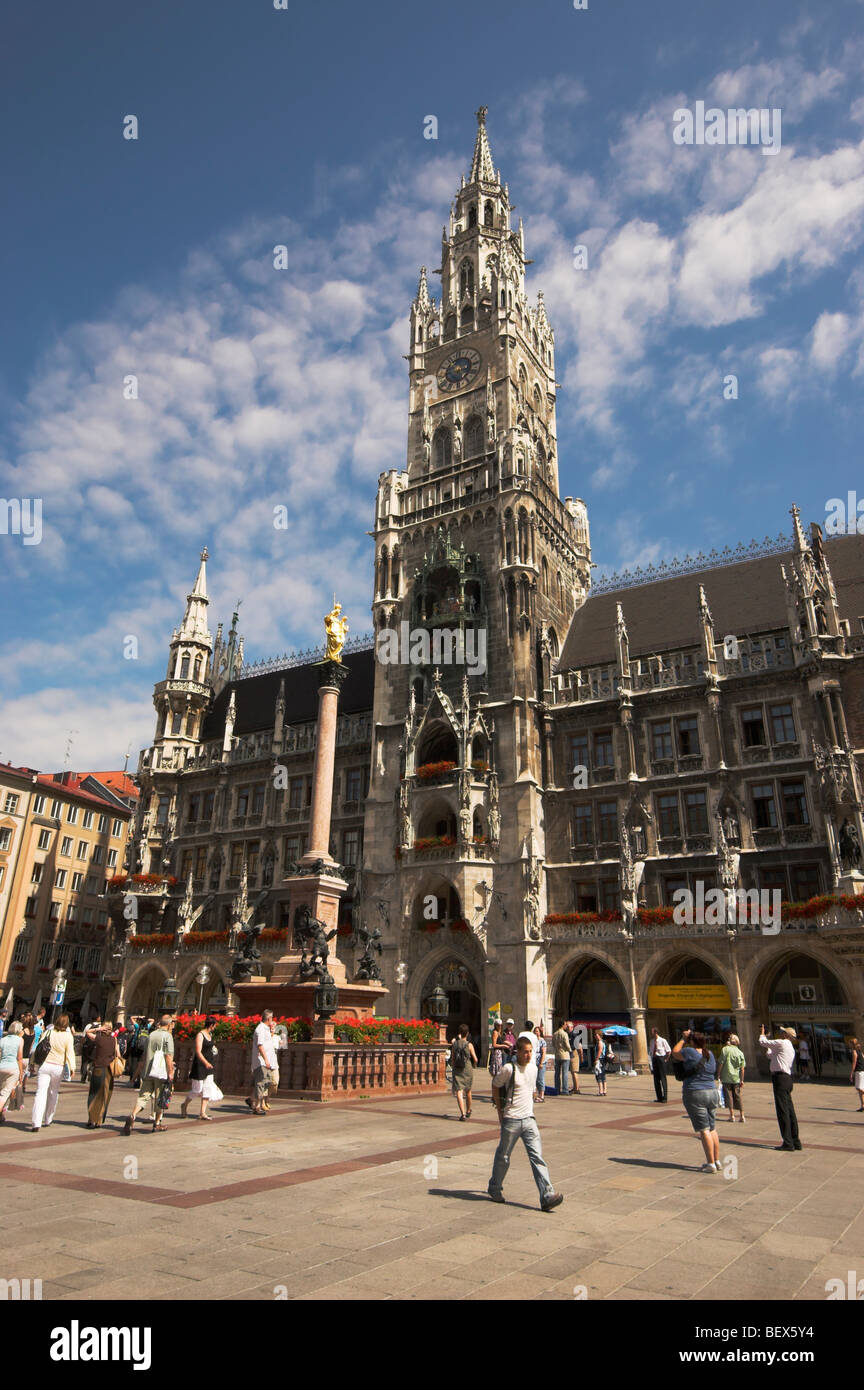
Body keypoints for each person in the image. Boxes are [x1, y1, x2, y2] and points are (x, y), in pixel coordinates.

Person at [488, 1035, 563, 1211]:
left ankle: (547, 1195)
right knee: (504, 1157)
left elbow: (531, 1090)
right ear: (518, 1052)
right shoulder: (508, 1068)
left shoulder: (533, 1069)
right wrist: (500, 1111)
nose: (529, 1055)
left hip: (529, 1119)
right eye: (526, 1052)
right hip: (511, 1119)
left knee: (537, 1157)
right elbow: (495, 1084)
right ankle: (494, 1188)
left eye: (531, 1052)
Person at [671, 1028, 722, 1172]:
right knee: (712, 1128)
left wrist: (683, 1039)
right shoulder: (710, 1054)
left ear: (692, 1041)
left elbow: (675, 1052)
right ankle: (716, 1160)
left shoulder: (690, 1052)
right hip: (712, 1092)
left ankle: (710, 1163)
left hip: (696, 1092)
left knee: (704, 1129)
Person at [123, 1013, 175, 1134]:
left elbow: (145, 1054)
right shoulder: (167, 1036)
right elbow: (168, 1055)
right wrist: (170, 1072)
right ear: (168, 1025)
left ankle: (133, 1115)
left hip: (148, 1071)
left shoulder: (151, 1034)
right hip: (161, 1072)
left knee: (143, 1096)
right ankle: (157, 1123)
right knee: (160, 1097)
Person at [759, 1024, 802, 1151]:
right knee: (790, 1110)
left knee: (782, 1110)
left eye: (783, 1033)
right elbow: (771, 1055)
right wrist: (769, 1047)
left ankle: (788, 1142)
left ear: (786, 1035)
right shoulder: (789, 1048)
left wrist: (762, 1033)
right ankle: (796, 1141)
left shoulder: (783, 1043)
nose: (782, 1034)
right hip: (787, 1078)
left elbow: (762, 1042)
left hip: (780, 1079)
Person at [30, 1013, 76, 1131]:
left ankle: (36, 1122)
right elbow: (70, 1052)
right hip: (58, 1067)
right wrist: (72, 1067)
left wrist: (33, 1062)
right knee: (53, 1092)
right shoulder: (68, 1036)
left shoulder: (48, 1032)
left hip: (45, 1065)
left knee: (40, 1093)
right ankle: (48, 1118)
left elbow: (39, 1047)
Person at [182, 1015, 219, 1121]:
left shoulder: (210, 1034)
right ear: (211, 1025)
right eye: (215, 1025)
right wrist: (205, 1062)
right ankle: (184, 1105)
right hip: (200, 1065)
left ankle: (202, 1112)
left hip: (209, 1064)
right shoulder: (200, 1035)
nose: (215, 1027)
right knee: (197, 1090)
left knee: (207, 1088)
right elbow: (198, 1051)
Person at [86, 1021, 120, 1128]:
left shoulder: (99, 1038)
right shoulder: (114, 1039)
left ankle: (92, 1120)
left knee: (95, 1094)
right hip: (109, 1070)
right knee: (106, 1095)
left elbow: (87, 1032)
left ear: (103, 1029)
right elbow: (118, 1054)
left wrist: (97, 1029)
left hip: (98, 1068)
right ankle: (99, 1120)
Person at [246, 1009, 277, 1115]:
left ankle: (253, 1100)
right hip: (261, 1062)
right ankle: (257, 1107)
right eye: (272, 1018)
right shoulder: (260, 1029)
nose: (272, 1020)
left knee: (266, 1082)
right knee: (260, 1083)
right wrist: (266, 1059)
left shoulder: (266, 1029)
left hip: (266, 1061)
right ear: (268, 1018)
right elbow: (260, 1045)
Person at [448, 1024, 477, 1120]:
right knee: (468, 1090)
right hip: (467, 1068)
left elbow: (452, 1059)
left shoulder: (454, 1044)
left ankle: (463, 1114)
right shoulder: (469, 1045)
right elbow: (475, 1059)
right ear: (467, 1033)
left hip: (457, 1068)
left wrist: (453, 1067)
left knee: (459, 1091)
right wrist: (474, 1064)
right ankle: (469, 1110)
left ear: (459, 1033)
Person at [0, 1021, 25, 1122]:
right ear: (19, 1030)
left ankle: (1, 1116)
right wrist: (21, 1072)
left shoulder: (2, 1039)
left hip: (2, 1067)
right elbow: (19, 1057)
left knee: (1, 1091)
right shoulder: (20, 1040)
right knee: (4, 1094)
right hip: (13, 1069)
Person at [718, 1033, 746, 1123]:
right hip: (736, 1078)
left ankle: (732, 1115)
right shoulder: (740, 1052)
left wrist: (718, 1074)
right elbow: (742, 1068)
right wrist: (742, 1079)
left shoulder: (725, 1050)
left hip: (726, 1076)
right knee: (738, 1096)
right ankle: (742, 1115)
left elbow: (721, 1063)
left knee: (729, 1096)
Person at [649, 1026, 671, 1103]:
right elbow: (651, 1051)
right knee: (656, 1079)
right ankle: (659, 1097)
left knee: (663, 1078)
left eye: (652, 1031)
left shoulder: (662, 1040)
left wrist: (666, 1059)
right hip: (654, 1059)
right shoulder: (652, 1041)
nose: (651, 1033)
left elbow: (668, 1050)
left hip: (661, 1058)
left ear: (656, 1032)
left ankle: (665, 1097)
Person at [551, 1020, 572, 1096]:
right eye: (565, 1024)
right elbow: (567, 1044)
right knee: (565, 1073)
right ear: (563, 1025)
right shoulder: (564, 1034)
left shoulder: (555, 1033)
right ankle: (565, 1090)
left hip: (557, 1055)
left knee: (557, 1073)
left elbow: (553, 1044)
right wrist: (570, 1050)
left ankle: (557, 1089)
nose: (566, 1026)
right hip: (565, 1055)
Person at [18, 1013, 34, 1093]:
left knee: (18, 1076)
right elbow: (31, 1046)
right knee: (24, 1073)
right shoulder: (33, 1033)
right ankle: (23, 1087)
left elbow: (17, 1044)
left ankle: (18, 1089)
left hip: (20, 1057)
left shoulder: (22, 1032)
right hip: (27, 1058)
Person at [849, 1037, 864, 1113]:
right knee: (860, 1091)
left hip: (859, 1072)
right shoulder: (860, 1052)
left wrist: (851, 1073)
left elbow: (854, 1063)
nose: (849, 1045)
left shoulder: (854, 1052)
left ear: (852, 1044)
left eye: (850, 1044)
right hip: (862, 1071)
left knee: (858, 1088)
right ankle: (862, 1106)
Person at [534, 1023, 548, 1102]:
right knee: (535, 1079)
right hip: (534, 1062)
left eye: (537, 1031)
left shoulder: (542, 1041)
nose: (536, 1032)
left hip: (540, 1062)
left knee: (540, 1078)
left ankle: (542, 1095)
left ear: (540, 1032)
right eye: (535, 1031)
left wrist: (541, 1063)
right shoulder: (533, 1040)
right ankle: (537, 1094)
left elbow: (544, 1052)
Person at [568, 1024, 583, 1095]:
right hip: (571, 1053)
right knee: (572, 1072)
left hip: (574, 1053)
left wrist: (581, 1056)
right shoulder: (568, 1034)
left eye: (568, 1027)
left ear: (572, 1027)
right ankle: (575, 1087)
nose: (567, 1028)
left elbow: (580, 1046)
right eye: (566, 1026)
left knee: (574, 1072)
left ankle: (577, 1089)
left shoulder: (574, 1035)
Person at [593, 1030, 609, 1096]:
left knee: (598, 1075)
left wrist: (596, 1059)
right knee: (603, 1074)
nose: (595, 1037)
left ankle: (601, 1091)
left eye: (596, 1035)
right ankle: (604, 1090)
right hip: (602, 1060)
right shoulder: (602, 1042)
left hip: (600, 1060)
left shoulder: (600, 1042)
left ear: (599, 1035)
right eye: (595, 1035)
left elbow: (599, 1051)